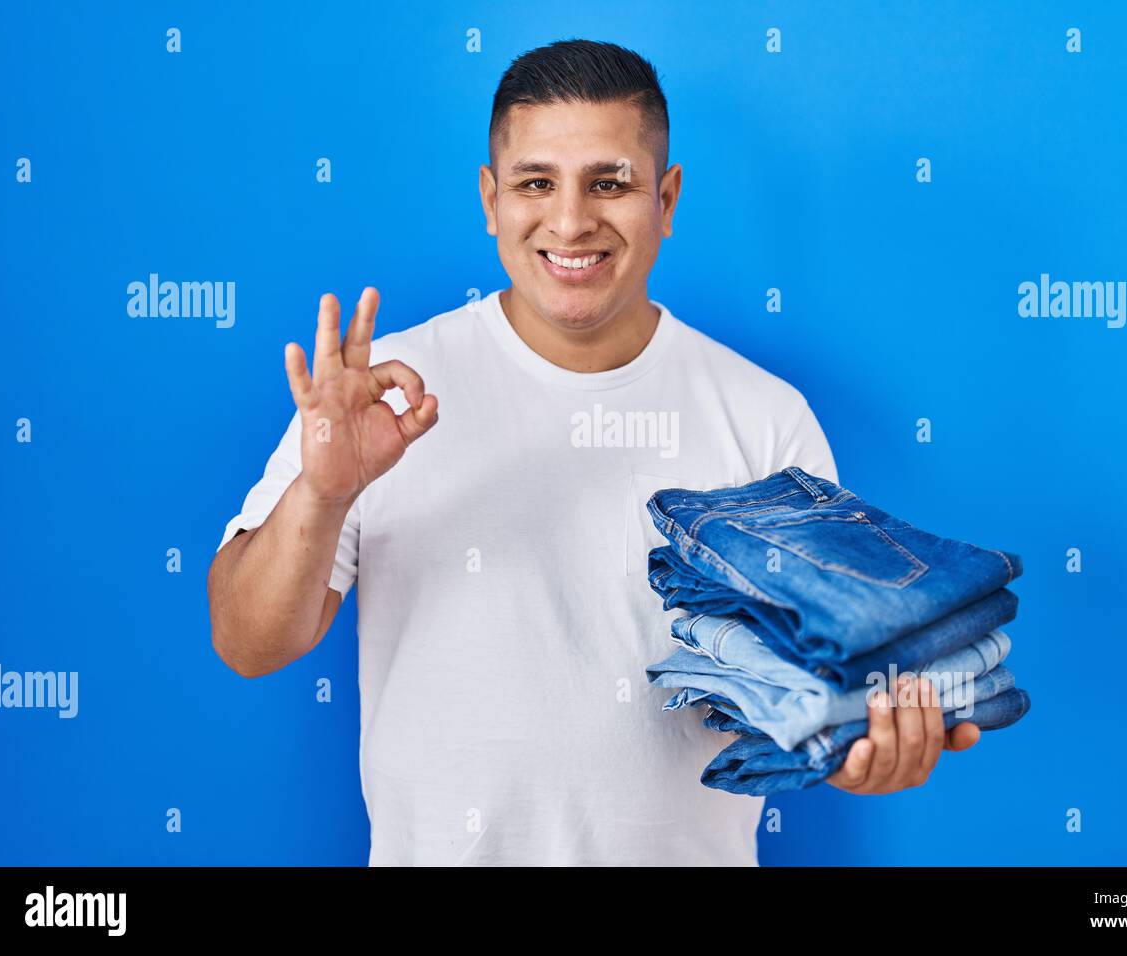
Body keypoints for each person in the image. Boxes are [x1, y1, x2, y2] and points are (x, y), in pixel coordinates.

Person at [207, 38, 980, 866]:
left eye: (608, 183)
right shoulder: (381, 395)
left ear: (667, 198)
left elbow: (812, 696)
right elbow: (249, 643)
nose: (571, 220)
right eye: (536, 182)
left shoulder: (764, 418)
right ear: (491, 197)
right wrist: (323, 495)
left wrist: (861, 755)